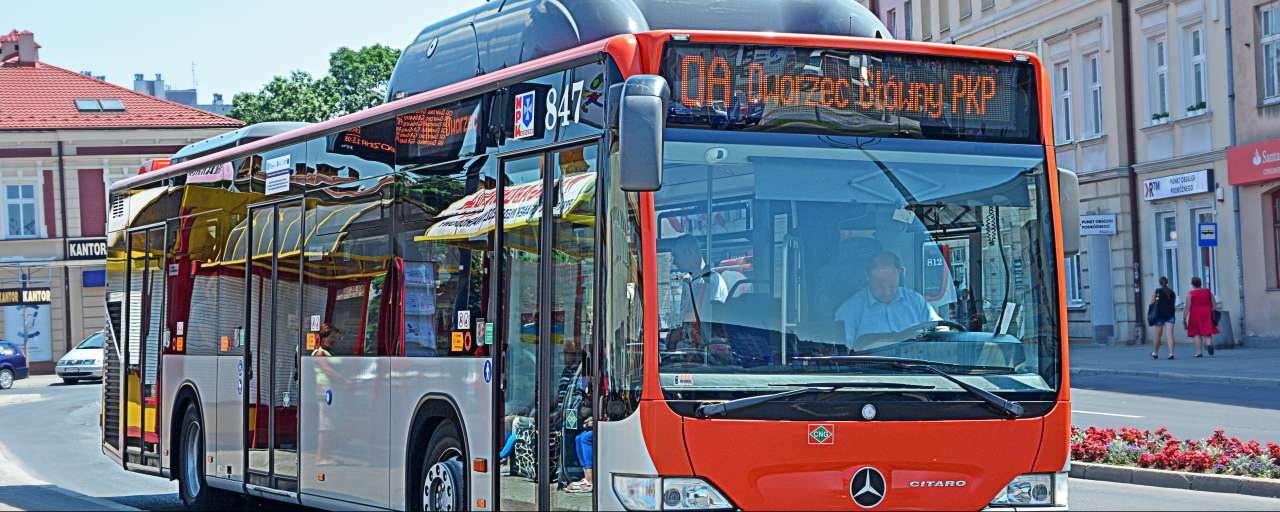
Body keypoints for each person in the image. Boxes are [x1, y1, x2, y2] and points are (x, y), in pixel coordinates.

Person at [834, 251, 942, 350]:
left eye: (891, 284)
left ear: (901, 274)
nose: (886, 291)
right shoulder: (850, 310)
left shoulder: (916, 301)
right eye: (880, 284)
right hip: (870, 369)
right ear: (867, 277)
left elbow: (940, 329)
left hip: (918, 367)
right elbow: (844, 352)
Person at [666, 235, 728, 348]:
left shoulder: (713, 281)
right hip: (689, 346)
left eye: (676, 256)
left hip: (706, 349)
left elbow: (718, 324)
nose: (674, 262)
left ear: (689, 253)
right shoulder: (687, 282)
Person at [1184, 276, 1218, 357]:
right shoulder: (1208, 292)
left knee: (1196, 333)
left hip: (1195, 315)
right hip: (1207, 313)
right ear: (1200, 283)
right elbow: (1214, 304)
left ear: (1192, 284)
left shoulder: (1190, 294)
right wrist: (1212, 311)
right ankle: (1209, 344)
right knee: (1207, 331)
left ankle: (1199, 352)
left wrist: (1184, 317)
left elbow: (1187, 307)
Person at [1150, 277, 1178, 359]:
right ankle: (1171, 353)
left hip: (1159, 315)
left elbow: (1152, 303)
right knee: (1170, 335)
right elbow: (1173, 303)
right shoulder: (1172, 292)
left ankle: (1155, 352)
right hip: (1170, 315)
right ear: (1167, 282)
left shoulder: (1157, 291)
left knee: (1157, 335)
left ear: (1160, 283)